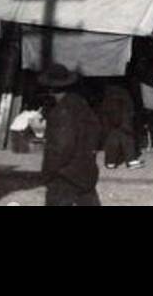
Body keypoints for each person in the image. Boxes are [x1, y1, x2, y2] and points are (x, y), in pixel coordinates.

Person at [39, 64, 103, 206]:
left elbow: (61, 147)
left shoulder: (61, 112)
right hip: (86, 171)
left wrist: (49, 172)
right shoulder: (82, 104)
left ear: (51, 89)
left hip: (64, 176)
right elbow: (96, 133)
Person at [100, 82, 145, 170]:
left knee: (112, 132)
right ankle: (131, 160)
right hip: (122, 90)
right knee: (126, 130)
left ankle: (110, 161)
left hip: (108, 91)